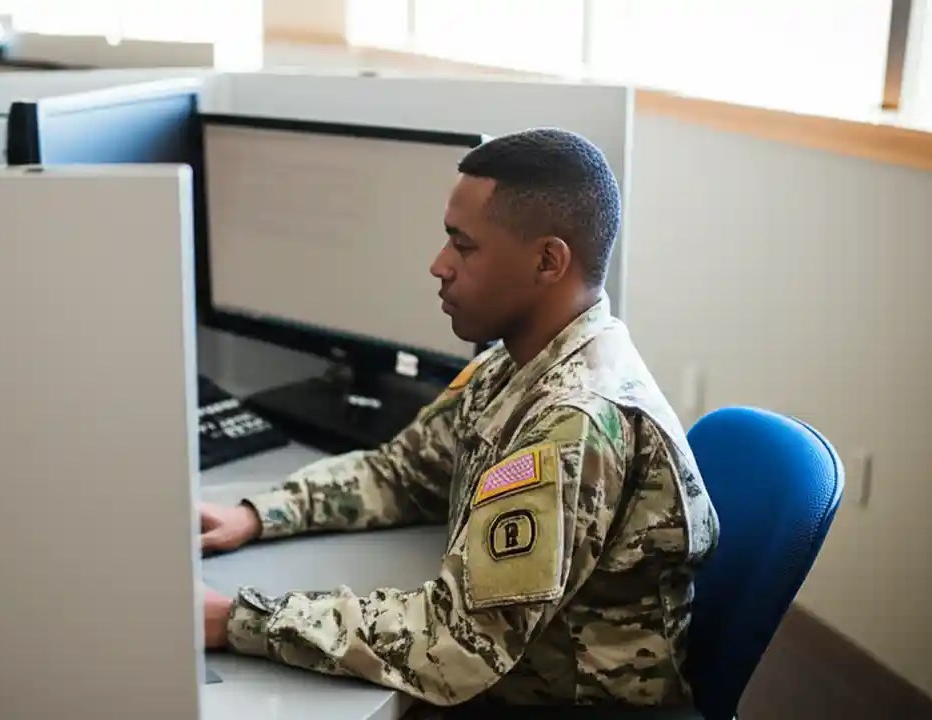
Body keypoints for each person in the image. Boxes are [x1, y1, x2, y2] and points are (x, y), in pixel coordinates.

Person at [198, 127, 720, 713]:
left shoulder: (575, 420)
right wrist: (258, 514)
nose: (438, 265)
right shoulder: (512, 361)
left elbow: (455, 643)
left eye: (464, 246)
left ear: (548, 260)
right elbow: (401, 473)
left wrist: (238, 621)